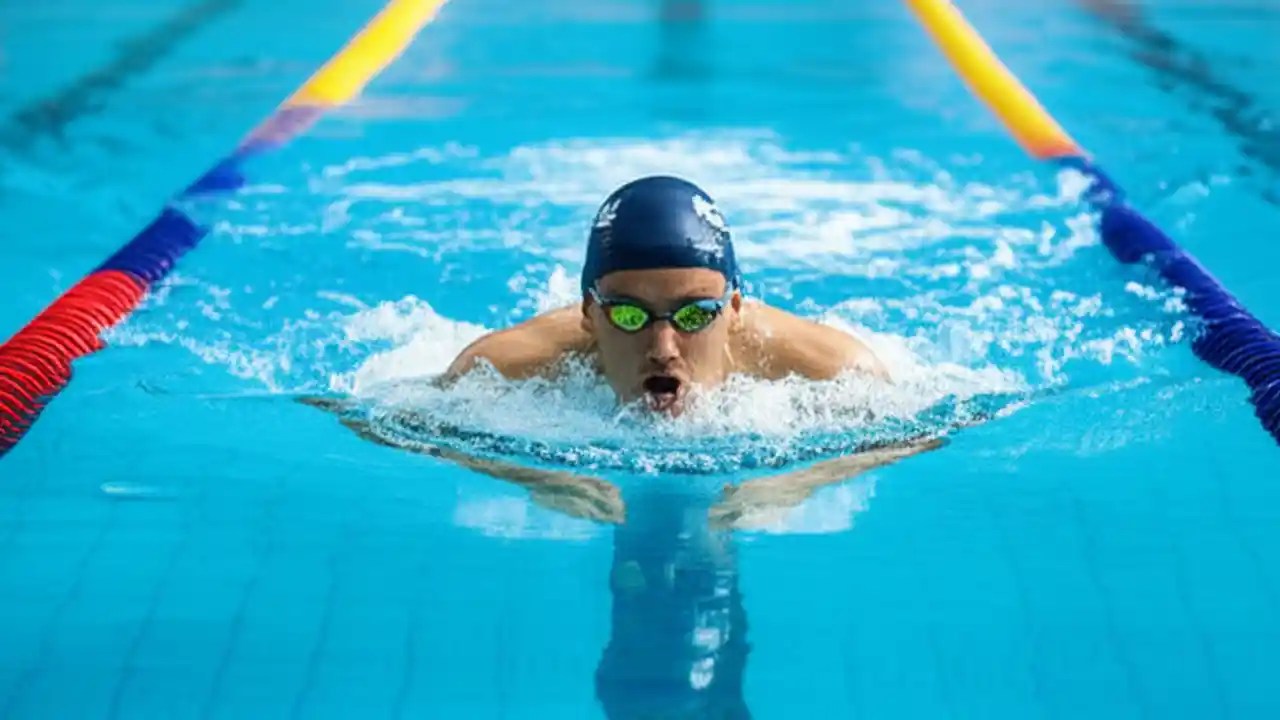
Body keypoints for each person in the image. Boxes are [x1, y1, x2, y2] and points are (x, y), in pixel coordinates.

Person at [443, 174, 889, 416]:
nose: (662, 349)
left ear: (733, 310)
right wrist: (547, 478)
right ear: (588, 313)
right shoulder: (503, 369)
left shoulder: (828, 371)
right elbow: (414, 423)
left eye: (694, 315)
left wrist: (786, 485)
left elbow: (903, 440)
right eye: (630, 316)